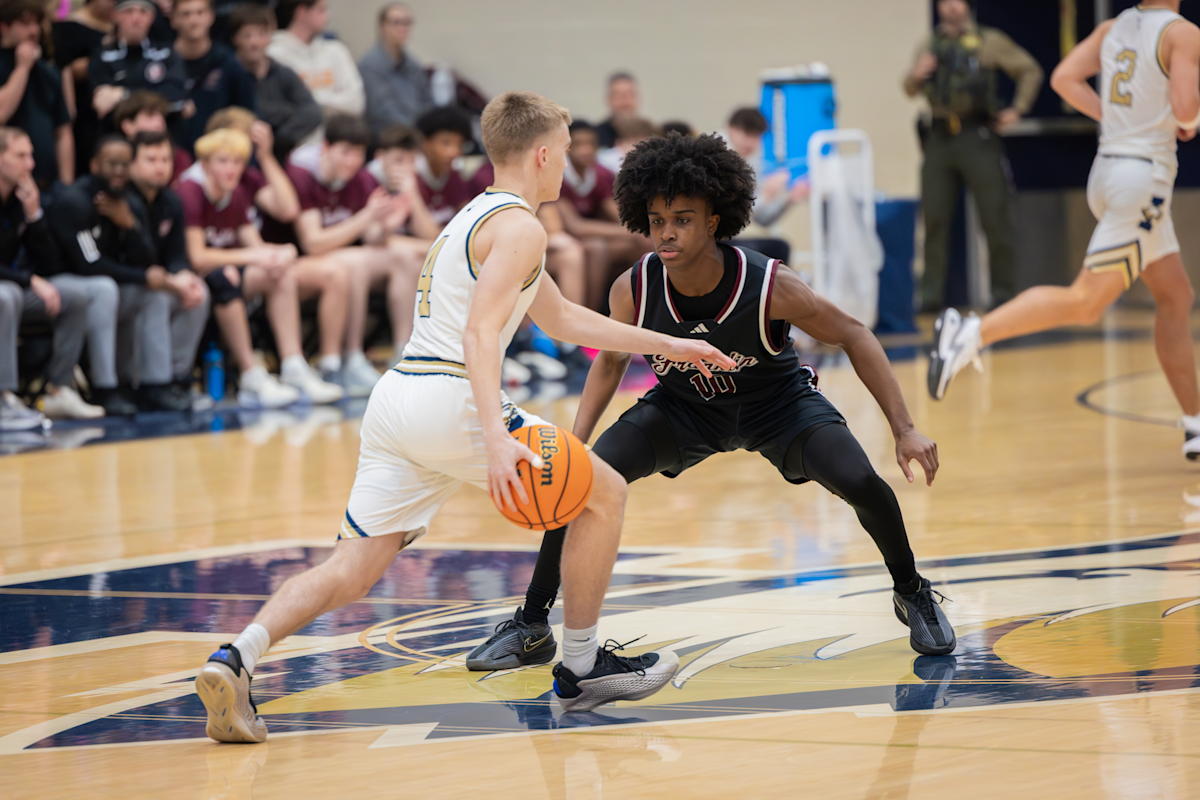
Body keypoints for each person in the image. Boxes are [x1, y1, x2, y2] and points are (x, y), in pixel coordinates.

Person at [194, 92, 736, 743]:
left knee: (351, 571)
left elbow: (560, 318)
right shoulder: (523, 228)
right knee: (605, 493)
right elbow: (481, 337)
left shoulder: (475, 217)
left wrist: (672, 344)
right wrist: (495, 438)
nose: (564, 164)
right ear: (541, 154)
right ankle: (583, 667)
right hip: (452, 399)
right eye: (562, 151)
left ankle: (238, 656)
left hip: (397, 401)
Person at [465, 132, 955, 673]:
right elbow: (608, 361)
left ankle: (912, 591)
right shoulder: (635, 287)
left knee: (863, 482)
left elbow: (856, 334)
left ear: (714, 221)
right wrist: (576, 442)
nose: (666, 233)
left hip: (779, 406)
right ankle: (533, 623)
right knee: (575, 480)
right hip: (682, 411)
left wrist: (904, 428)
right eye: (656, 221)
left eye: (682, 219)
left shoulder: (771, 284)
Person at [929, 1, 1200, 463]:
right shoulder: (1181, 33)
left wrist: (1112, 119)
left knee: (1175, 296)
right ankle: (970, 332)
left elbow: (1063, 79)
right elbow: (1184, 109)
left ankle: (1195, 423)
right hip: (1142, 181)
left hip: (1109, 169)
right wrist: (1188, 122)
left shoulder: (1115, 26)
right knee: (1087, 301)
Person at [178, 127, 345, 406]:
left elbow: (252, 244)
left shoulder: (235, 191)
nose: (231, 169)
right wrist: (252, 258)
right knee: (225, 278)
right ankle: (250, 375)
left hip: (223, 268)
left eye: (237, 162)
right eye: (223, 161)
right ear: (205, 164)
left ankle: (294, 366)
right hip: (188, 275)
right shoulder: (190, 191)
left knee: (279, 271)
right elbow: (197, 256)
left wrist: (279, 253)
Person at [904, 0, 1043, 312]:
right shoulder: (929, 43)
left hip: (977, 136)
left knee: (994, 216)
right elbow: (909, 89)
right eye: (946, 2)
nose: (951, 7)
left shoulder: (989, 40)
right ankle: (931, 297)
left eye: (958, 2)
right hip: (939, 137)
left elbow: (1029, 70)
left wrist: (1018, 109)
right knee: (935, 218)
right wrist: (916, 75)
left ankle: (1003, 292)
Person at [47, 135, 190, 414]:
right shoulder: (74, 202)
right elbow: (88, 265)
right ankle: (105, 387)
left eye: (124, 165)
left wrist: (131, 226)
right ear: (94, 164)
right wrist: (140, 277)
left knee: (153, 295)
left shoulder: (128, 203)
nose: (118, 172)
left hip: (104, 290)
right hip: (63, 287)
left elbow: (148, 261)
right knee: (107, 288)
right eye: (111, 164)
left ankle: (155, 385)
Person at [281, 115, 421, 395]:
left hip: (337, 256)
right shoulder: (301, 174)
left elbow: (370, 237)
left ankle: (404, 352)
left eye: (358, 153)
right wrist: (366, 216)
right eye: (345, 152)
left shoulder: (361, 179)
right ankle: (349, 357)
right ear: (326, 148)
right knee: (355, 262)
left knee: (406, 257)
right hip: (295, 261)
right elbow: (313, 243)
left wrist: (387, 225)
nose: (352, 161)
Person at [0, 128, 104, 427]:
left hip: (15, 288)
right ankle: (3, 396)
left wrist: (34, 215)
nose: (30, 164)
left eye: (30, 155)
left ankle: (60, 388)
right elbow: (30, 277)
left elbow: (49, 264)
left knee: (73, 294)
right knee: (6, 295)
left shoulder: (22, 198)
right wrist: (29, 281)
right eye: (20, 156)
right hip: (10, 290)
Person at [127, 130, 210, 404]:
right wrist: (171, 281)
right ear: (132, 164)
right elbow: (135, 258)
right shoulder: (124, 201)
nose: (160, 166)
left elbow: (176, 254)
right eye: (151, 159)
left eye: (165, 159)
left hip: (161, 279)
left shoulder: (171, 201)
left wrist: (183, 276)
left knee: (198, 293)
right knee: (158, 299)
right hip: (132, 282)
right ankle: (154, 383)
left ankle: (178, 378)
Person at [556, 120, 651, 311]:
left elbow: (618, 214)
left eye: (591, 144)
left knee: (642, 242)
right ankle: (590, 314)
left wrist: (640, 229)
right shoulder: (557, 174)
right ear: (565, 147)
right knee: (598, 248)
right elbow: (575, 227)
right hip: (565, 240)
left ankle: (638, 310)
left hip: (596, 236)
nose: (586, 149)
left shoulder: (601, 173)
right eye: (579, 144)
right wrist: (629, 231)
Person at [229, 4, 321, 162]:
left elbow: (312, 112)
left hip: (281, 152)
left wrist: (279, 138)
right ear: (235, 38)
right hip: (236, 152)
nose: (254, 42)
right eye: (247, 35)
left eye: (261, 34)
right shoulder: (228, 73)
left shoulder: (283, 73)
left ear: (270, 37)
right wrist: (285, 112)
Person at [0, 0, 74, 191]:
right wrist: (22, 68)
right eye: (25, 24)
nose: (33, 30)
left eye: (36, 23)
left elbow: (63, 131)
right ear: (4, 27)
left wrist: (66, 183)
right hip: (6, 183)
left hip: (48, 182)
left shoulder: (48, 71)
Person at [171, 0, 257, 154]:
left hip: (220, 153)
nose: (194, 20)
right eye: (186, 14)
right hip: (171, 153)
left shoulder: (228, 62)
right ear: (173, 19)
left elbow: (247, 112)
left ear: (211, 16)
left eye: (200, 13)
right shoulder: (161, 63)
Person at [724, 107, 803, 264]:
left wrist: (788, 199)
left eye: (756, 137)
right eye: (747, 134)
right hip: (713, 238)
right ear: (731, 129)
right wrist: (766, 195)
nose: (751, 142)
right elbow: (730, 211)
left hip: (730, 237)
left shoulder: (751, 163)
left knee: (780, 248)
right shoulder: (716, 158)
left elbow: (762, 219)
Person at [90, 0, 189, 123]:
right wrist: (156, 95)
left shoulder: (165, 53)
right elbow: (103, 103)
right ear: (115, 15)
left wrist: (123, 94)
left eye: (143, 12)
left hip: (162, 132)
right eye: (128, 11)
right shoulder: (103, 56)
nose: (136, 19)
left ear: (152, 17)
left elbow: (177, 96)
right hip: (117, 133)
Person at [267, 0, 364, 118]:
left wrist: (311, 99)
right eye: (321, 10)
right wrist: (333, 100)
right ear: (301, 12)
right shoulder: (274, 53)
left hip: (336, 130)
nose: (328, 16)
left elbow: (356, 104)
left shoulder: (336, 50)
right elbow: (285, 106)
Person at [53, 0, 114, 180]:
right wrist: (106, 62)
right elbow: (65, 69)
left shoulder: (123, 23)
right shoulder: (68, 28)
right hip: (83, 115)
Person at [359, 2, 431, 134]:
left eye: (407, 22)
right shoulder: (369, 64)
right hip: (385, 136)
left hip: (416, 133)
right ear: (382, 26)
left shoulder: (413, 64)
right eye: (396, 22)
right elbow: (381, 110)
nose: (402, 27)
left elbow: (426, 101)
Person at [414, 105, 473, 229]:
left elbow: (468, 221)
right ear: (425, 143)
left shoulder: (455, 173)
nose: (455, 152)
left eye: (460, 144)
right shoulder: (412, 176)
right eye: (446, 143)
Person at [111, 90, 192, 182]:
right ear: (128, 125)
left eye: (161, 115)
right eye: (150, 115)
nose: (159, 122)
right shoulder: (114, 159)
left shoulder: (179, 157)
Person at [594, 72, 639, 149]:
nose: (625, 102)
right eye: (618, 96)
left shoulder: (652, 133)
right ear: (609, 99)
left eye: (629, 95)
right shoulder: (596, 135)